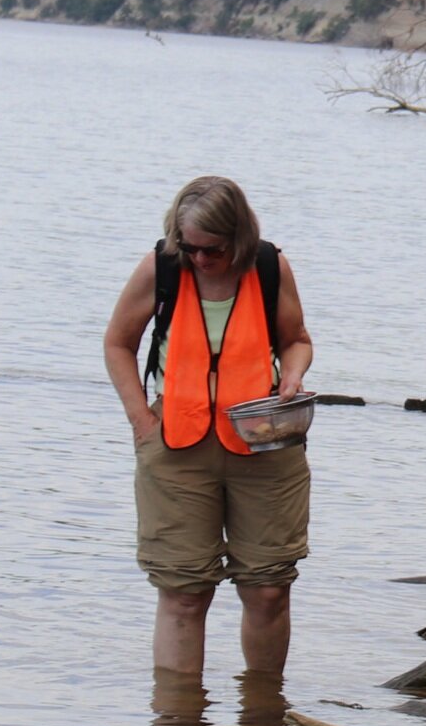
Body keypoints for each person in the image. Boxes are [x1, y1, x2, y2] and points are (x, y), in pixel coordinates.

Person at [104, 177, 313, 676]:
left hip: (265, 444)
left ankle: (263, 714)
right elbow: (117, 344)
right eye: (188, 247)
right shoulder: (160, 268)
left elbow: (297, 340)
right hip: (173, 445)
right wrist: (140, 419)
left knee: (267, 589)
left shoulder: (268, 266)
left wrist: (296, 376)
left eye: (212, 250)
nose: (199, 259)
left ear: (238, 237)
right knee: (184, 593)